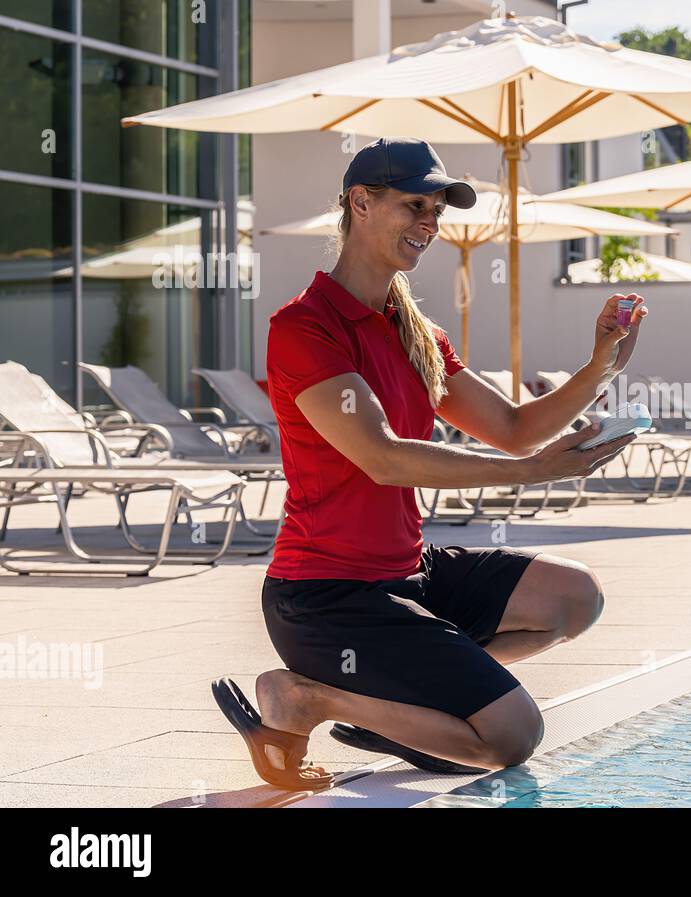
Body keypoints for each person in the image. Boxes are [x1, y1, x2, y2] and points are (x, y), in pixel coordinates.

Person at [212, 137, 647, 789]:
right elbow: (382, 458)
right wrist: (534, 475)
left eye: (437, 210)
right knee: (513, 733)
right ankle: (312, 698)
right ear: (360, 203)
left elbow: (515, 428)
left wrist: (601, 364)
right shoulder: (306, 327)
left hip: (408, 574)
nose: (430, 223)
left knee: (576, 597)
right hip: (327, 597)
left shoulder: (416, 332)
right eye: (415, 204)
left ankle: (399, 709)